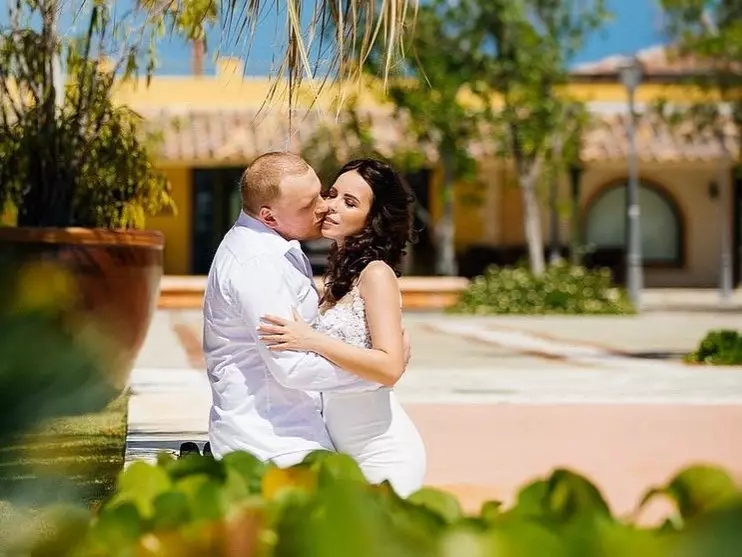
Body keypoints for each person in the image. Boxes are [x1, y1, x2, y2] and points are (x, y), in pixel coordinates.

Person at [202, 152, 411, 471]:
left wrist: (380, 367)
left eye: (321, 193)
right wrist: (376, 377)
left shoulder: (286, 249)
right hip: (272, 439)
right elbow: (293, 368)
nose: (325, 207)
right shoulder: (259, 265)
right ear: (269, 217)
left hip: (309, 435)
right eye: (310, 203)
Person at [257, 158, 426, 497]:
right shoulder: (341, 278)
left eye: (350, 203)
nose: (331, 206)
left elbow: (390, 367)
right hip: (342, 451)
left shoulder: (376, 274)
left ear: (372, 219)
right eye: (332, 194)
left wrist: (311, 339)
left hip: (383, 454)